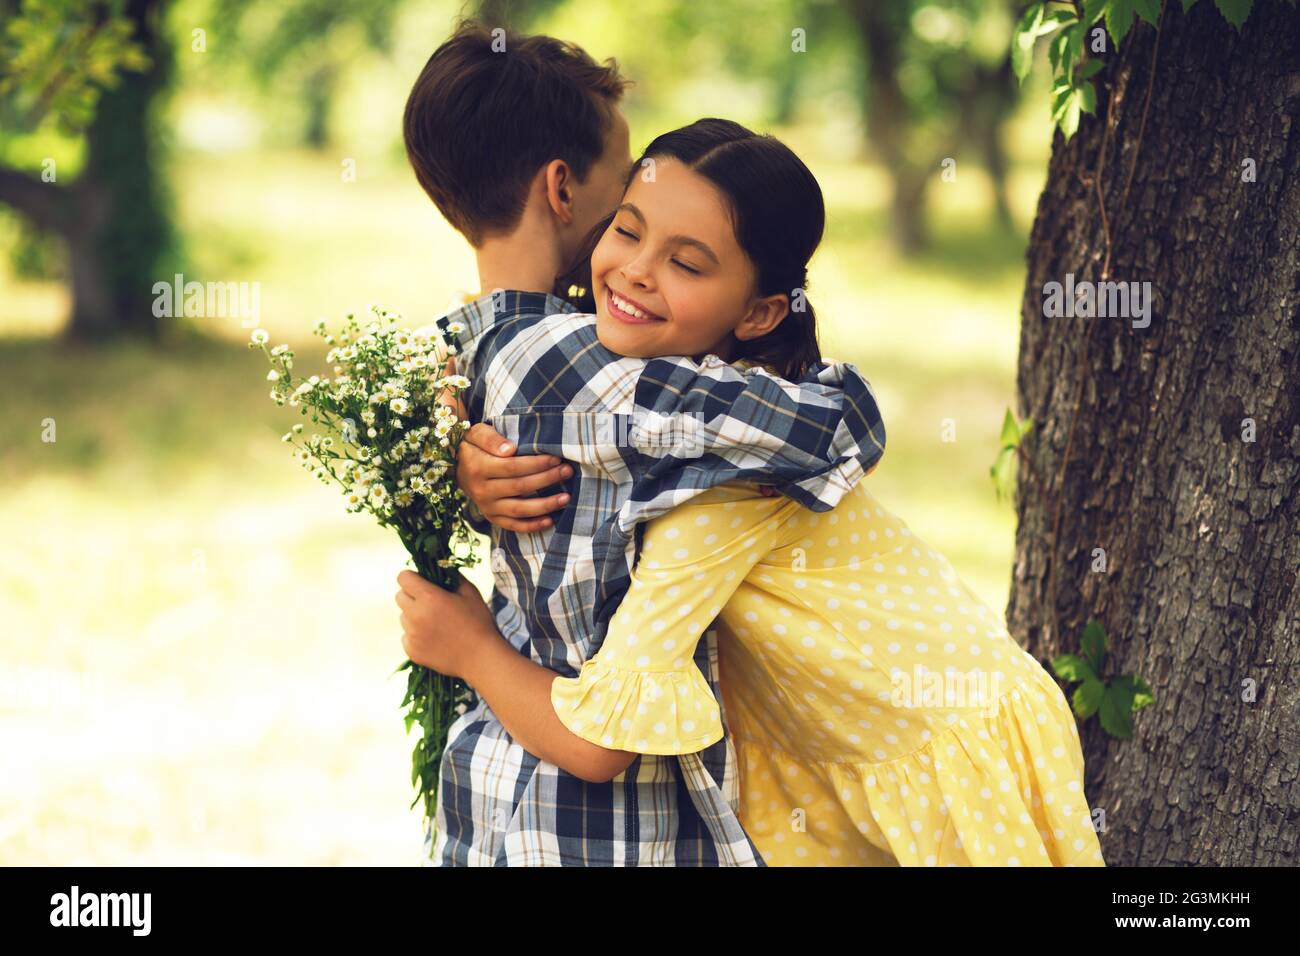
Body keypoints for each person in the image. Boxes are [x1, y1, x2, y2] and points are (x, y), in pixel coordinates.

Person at [398, 119, 1105, 867]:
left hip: (945, 748)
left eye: (688, 265)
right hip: (829, 753)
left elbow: (600, 742)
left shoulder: (722, 487)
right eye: (627, 231)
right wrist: (465, 457)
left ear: (761, 312)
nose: (637, 271)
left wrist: (471, 649)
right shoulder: (655, 407)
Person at [403, 22, 885, 865]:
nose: (632, 263)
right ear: (564, 189)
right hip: (588, 815)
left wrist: (449, 443)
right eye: (628, 199)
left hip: (490, 788)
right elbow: (836, 429)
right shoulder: (589, 369)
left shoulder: (468, 351)